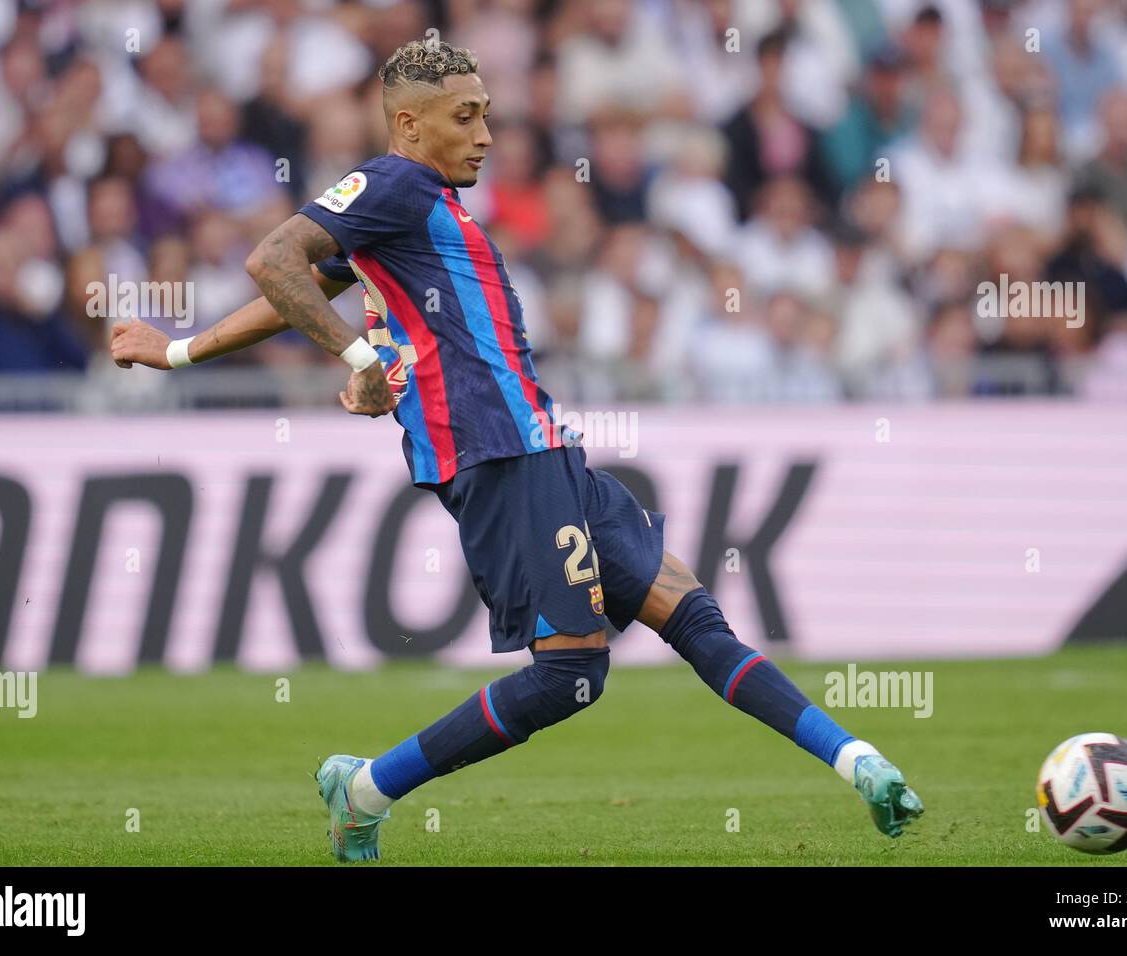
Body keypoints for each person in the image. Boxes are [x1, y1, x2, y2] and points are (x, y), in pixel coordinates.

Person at [109, 39, 923, 862]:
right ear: (408, 123)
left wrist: (181, 350)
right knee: (569, 674)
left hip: (545, 447)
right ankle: (364, 790)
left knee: (692, 616)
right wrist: (362, 360)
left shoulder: (417, 212)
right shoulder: (393, 183)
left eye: (487, 115)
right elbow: (273, 259)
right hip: (496, 455)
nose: (486, 135)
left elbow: (296, 291)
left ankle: (860, 763)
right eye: (464, 117)